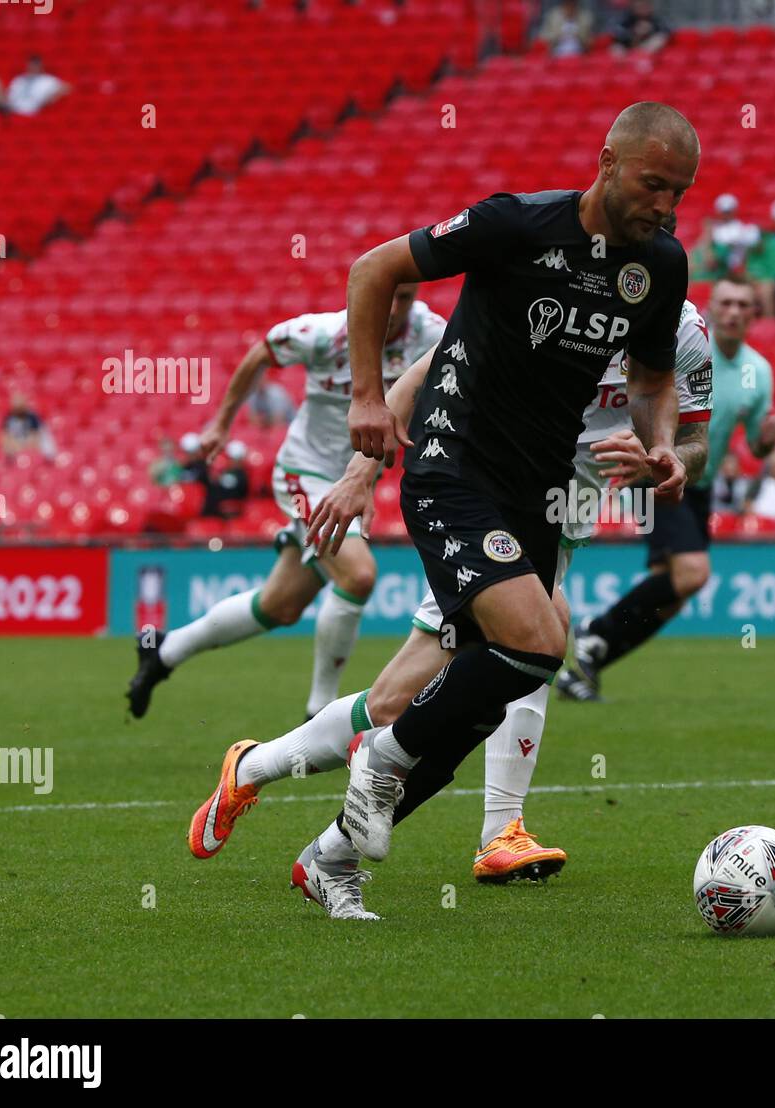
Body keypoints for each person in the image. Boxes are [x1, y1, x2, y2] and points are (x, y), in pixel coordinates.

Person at [183, 102, 698, 920]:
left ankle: (329, 857)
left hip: (535, 498)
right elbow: (371, 271)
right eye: (654, 184)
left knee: (467, 702)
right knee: (537, 644)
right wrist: (363, 412)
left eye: (680, 192)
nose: (666, 207)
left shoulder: (660, 267)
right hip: (452, 467)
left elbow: (653, 381)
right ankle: (384, 767)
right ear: (606, 161)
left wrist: (662, 444)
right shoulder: (514, 225)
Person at [125, 287, 446, 722]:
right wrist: (221, 424)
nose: (393, 310)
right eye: (384, 296)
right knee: (359, 574)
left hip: (353, 479)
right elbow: (261, 353)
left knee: (279, 605)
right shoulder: (323, 333)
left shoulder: (431, 335)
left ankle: (163, 650)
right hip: (303, 474)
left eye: (403, 298)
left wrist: (368, 480)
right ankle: (319, 712)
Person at [563, 274, 775, 698]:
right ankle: (595, 630)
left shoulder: (759, 371)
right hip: (654, 468)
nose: (734, 312)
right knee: (693, 572)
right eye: (726, 303)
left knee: (674, 591)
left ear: (755, 314)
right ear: (712, 307)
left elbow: (755, 444)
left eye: (743, 305)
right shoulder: (683, 342)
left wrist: (766, 442)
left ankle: (588, 663)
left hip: (700, 483)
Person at [4, 56, 70, 117]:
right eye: (31, 65)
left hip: (33, 110)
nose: (32, 68)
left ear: (40, 67)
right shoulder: (19, 80)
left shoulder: (47, 80)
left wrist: (51, 98)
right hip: (13, 110)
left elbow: (67, 88)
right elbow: (9, 96)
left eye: (35, 66)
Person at [201, 441, 251, 518]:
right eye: (232, 458)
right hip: (215, 509)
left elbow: (242, 492)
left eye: (236, 459)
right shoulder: (226, 473)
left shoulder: (242, 476)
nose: (233, 461)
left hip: (232, 510)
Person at [0, 393, 49, 458]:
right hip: (16, 444)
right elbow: (5, 435)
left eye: (19, 407)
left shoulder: (32, 417)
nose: (17, 409)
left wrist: (24, 447)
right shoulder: (9, 417)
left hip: (29, 444)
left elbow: (35, 436)